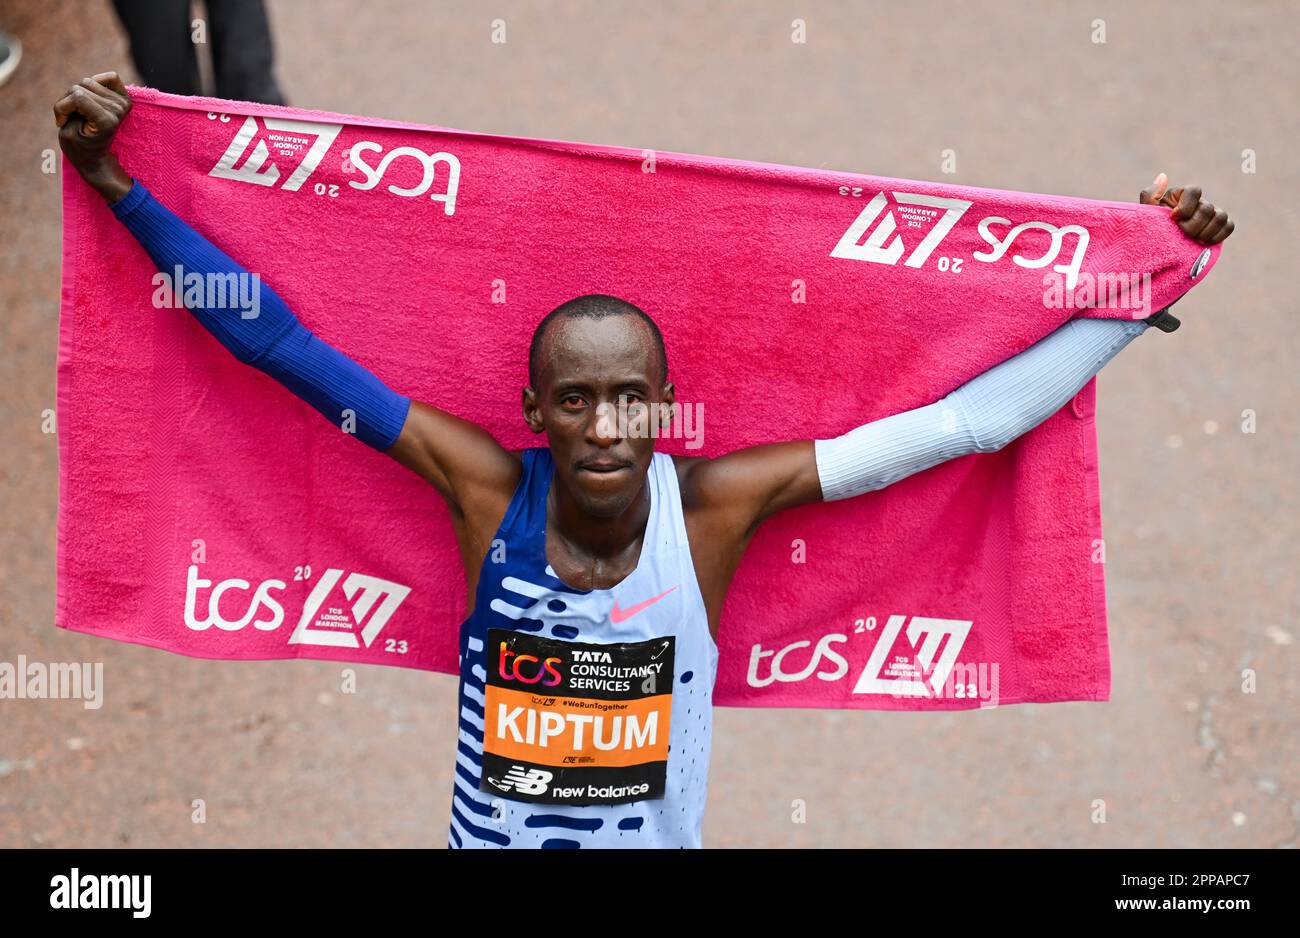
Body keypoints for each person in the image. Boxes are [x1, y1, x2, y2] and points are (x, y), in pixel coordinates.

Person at [55, 73, 1234, 849]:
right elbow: (282, 347)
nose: (606, 427)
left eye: (630, 400)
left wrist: (1140, 285)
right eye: (577, 401)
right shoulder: (481, 490)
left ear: (668, 409)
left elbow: (963, 425)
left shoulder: (714, 508)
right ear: (536, 410)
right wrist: (119, 186)